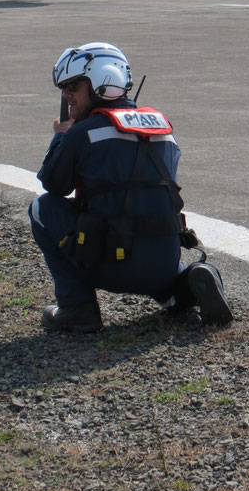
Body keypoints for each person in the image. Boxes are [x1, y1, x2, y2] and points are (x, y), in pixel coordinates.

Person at [29, 42, 232, 333]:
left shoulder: (82, 134)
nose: (66, 95)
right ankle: (194, 279)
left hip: (112, 264)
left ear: (102, 81)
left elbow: (53, 184)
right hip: (163, 262)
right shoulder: (163, 130)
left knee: (42, 206)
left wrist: (61, 136)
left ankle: (77, 308)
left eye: (72, 86)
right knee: (168, 284)